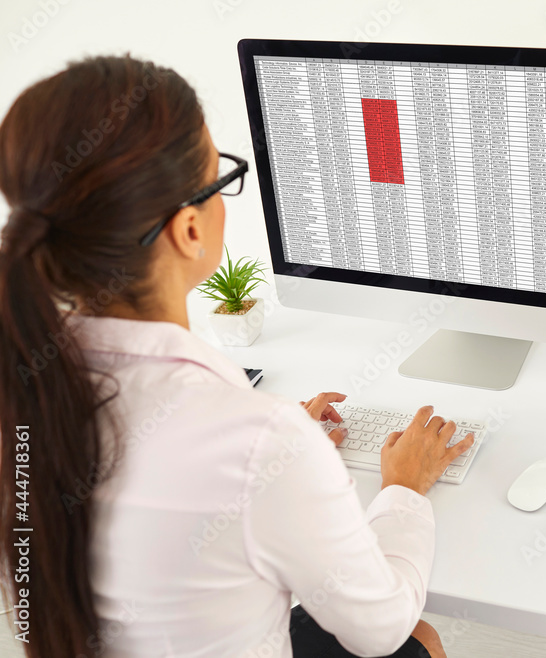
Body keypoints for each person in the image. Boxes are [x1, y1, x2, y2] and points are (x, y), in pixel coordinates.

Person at [0, 54, 473, 658]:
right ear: (190, 229)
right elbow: (378, 630)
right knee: (417, 637)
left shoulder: (24, 386)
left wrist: (269, 451)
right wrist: (403, 489)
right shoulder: (258, 441)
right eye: (220, 175)